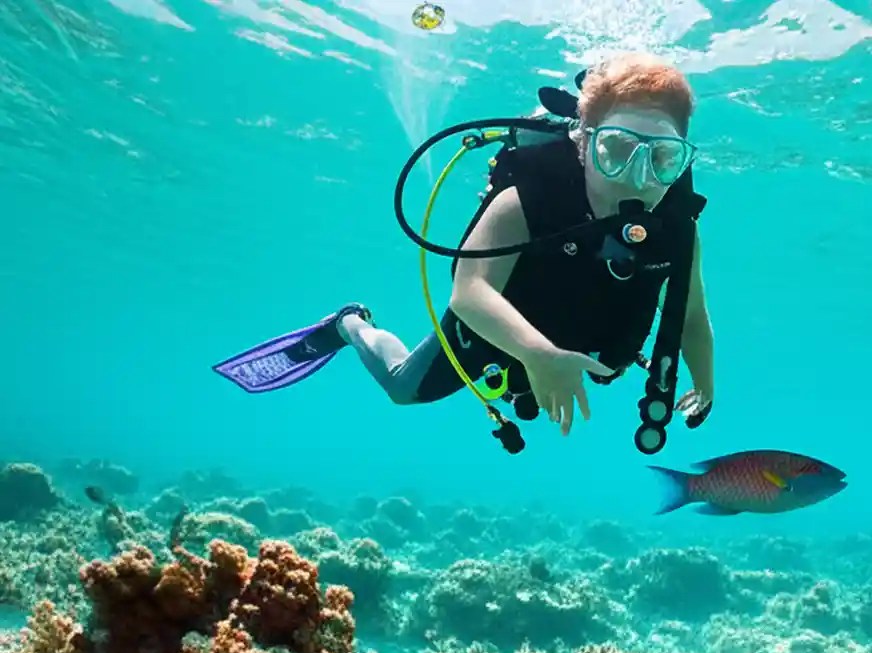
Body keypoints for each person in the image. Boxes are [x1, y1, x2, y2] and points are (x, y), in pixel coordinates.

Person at [214, 51, 715, 445]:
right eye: (617, 151)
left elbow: (690, 316)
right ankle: (349, 325)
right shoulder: (529, 198)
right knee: (402, 389)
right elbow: (469, 292)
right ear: (584, 144)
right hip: (498, 324)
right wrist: (538, 353)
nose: (639, 177)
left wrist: (705, 382)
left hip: (570, 345)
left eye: (664, 159)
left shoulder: (677, 229)